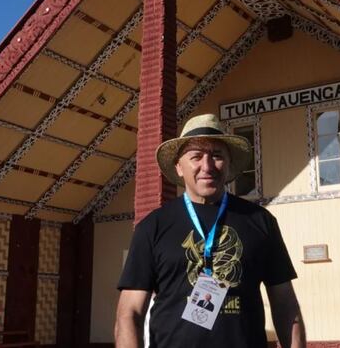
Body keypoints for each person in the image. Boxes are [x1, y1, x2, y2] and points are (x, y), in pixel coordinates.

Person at [115, 114, 306, 348]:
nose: (207, 166)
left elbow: (285, 304)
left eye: (217, 156)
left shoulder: (260, 221)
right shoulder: (153, 227)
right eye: (196, 156)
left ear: (228, 163)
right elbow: (129, 313)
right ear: (179, 167)